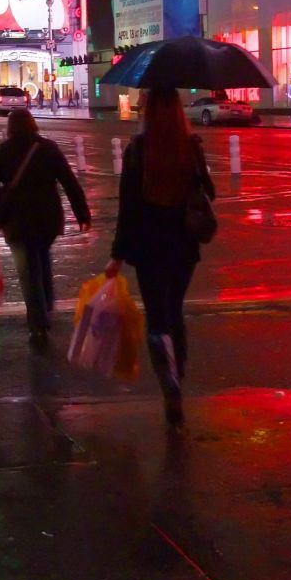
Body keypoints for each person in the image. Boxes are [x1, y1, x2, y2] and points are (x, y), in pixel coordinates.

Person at [106, 88, 215, 427]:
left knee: (157, 318)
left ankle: (168, 382)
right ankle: (177, 376)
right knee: (175, 311)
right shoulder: (191, 144)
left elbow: (128, 209)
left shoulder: (138, 150)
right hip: (183, 246)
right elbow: (209, 192)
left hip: (149, 247)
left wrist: (117, 257)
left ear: (149, 110)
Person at [0, 109, 90, 350]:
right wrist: (82, 213)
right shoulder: (48, 148)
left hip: (17, 220)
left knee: (28, 272)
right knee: (42, 259)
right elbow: (69, 182)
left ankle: (38, 324)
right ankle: (46, 307)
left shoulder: (3, 151)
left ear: (10, 127)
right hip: (47, 217)